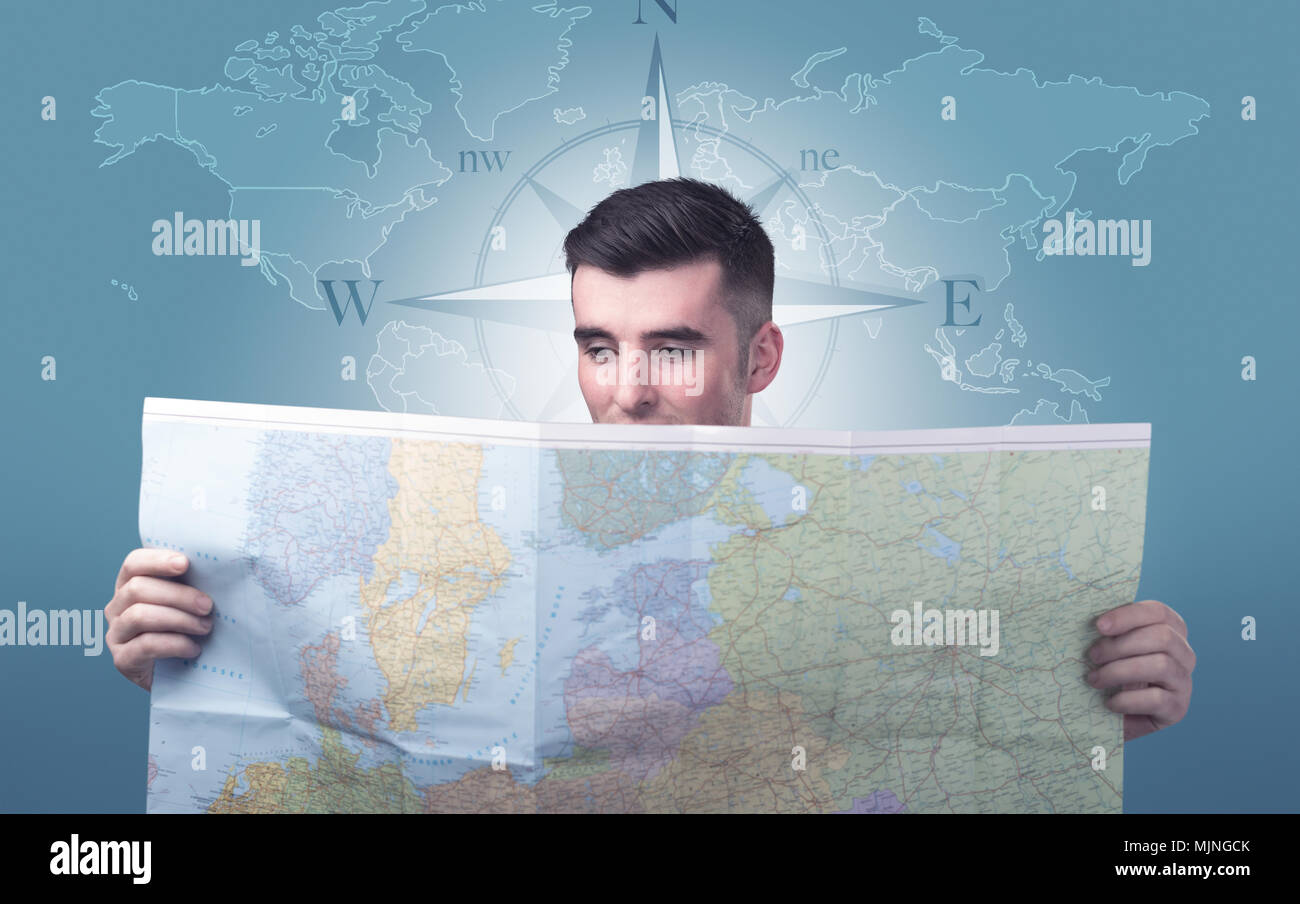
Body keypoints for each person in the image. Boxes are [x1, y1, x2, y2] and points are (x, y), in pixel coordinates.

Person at [106, 176, 1194, 743]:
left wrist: (1099, 696)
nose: (624, 389)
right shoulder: (469, 547)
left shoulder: (913, 549)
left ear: (759, 356)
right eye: (596, 346)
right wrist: (194, 658)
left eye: (671, 346)